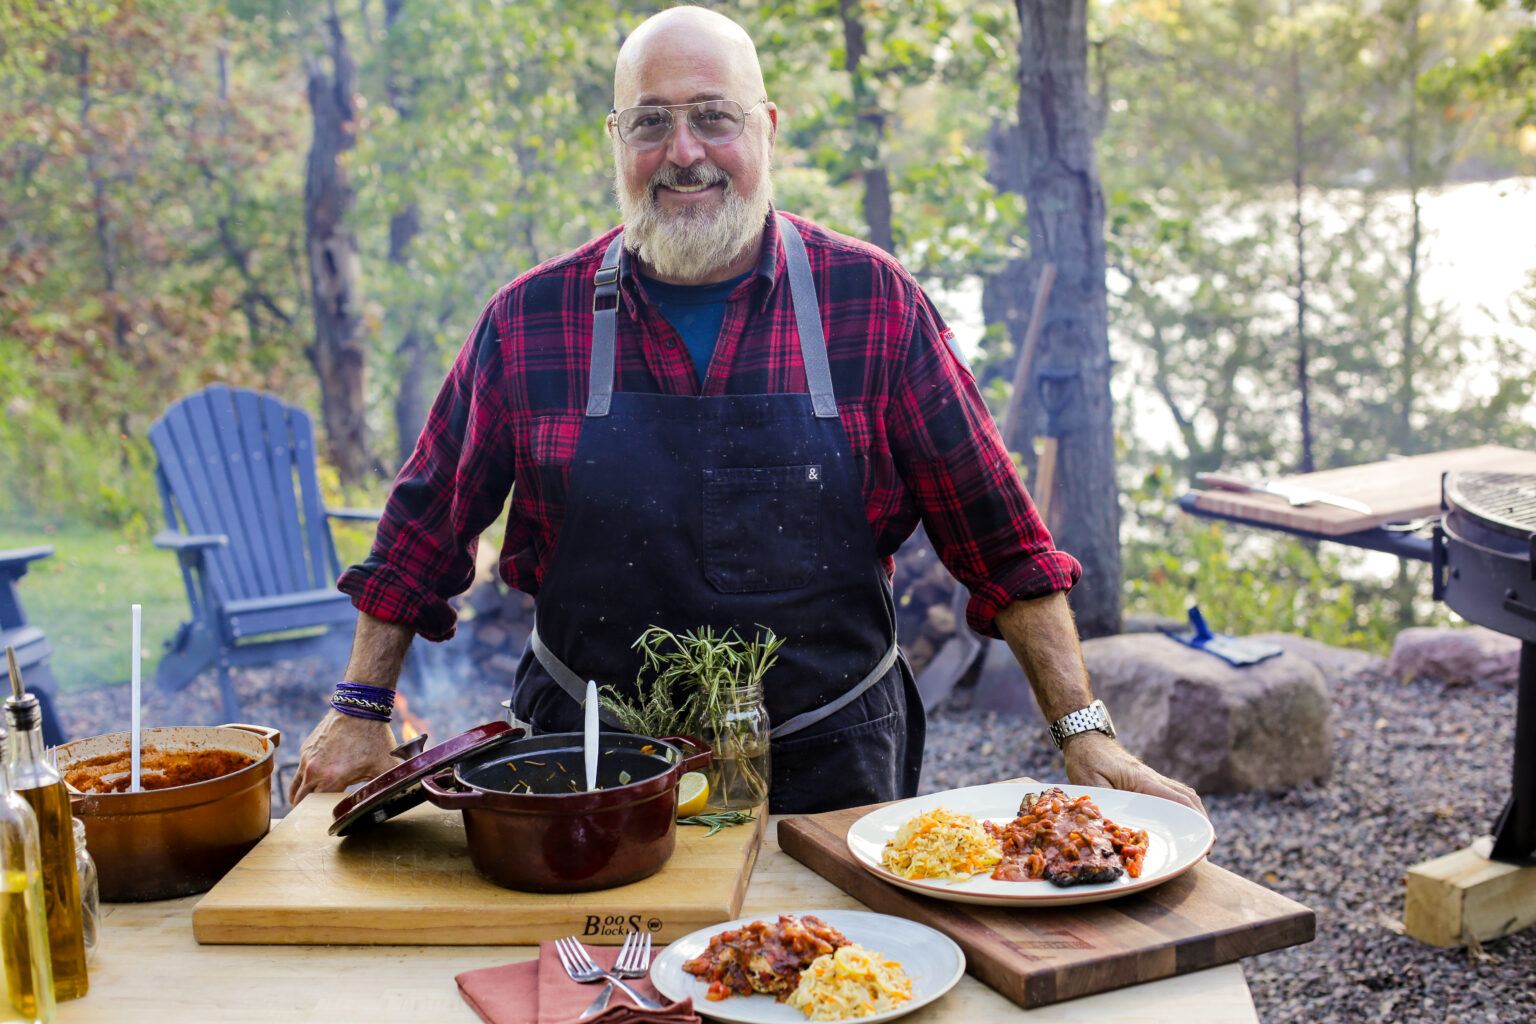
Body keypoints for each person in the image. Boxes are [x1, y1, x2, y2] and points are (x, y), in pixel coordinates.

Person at [288, 5, 1204, 818]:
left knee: (833, 996)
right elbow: (421, 531)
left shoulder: (871, 303)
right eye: (651, 122)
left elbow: (1003, 542)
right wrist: (361, 709)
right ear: (616, 140)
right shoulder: (531, 320)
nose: (683, 151)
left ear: (766, 129)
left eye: (713, 117)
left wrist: (1084, 733)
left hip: (829, 771)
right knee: (590, 1001)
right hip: (586, 771)